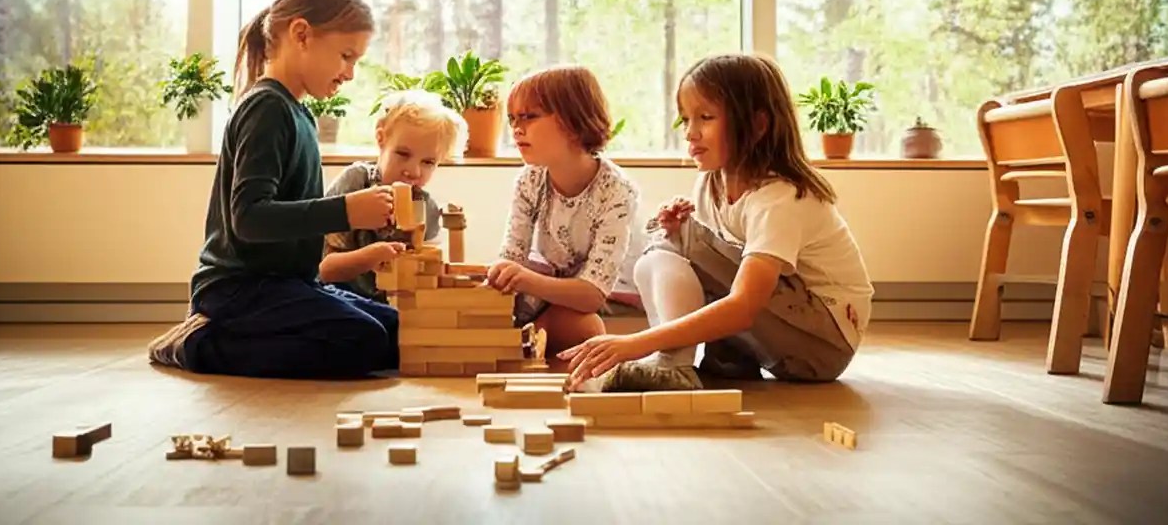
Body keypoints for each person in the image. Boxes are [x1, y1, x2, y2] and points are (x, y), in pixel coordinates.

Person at [561, 53, 874, 392]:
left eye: (706, 117)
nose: (690, 133)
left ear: (757, 126)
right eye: (685, 120)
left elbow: (743, 306)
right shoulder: (713, 183)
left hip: (821, 344)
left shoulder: (780, 199)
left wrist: (637, 343)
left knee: (681, 241)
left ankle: (673, 364)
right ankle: (723, 358)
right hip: (785, 331)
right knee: (668, 241)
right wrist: (675, 230)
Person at [147, 0, 400, 379]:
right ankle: (198, 344)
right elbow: (249, 218)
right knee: (363, 341)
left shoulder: (297, 112)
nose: (350, 73)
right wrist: (347, 211)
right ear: (301, 34)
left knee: (396, 331)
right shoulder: (266, 109)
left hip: (288, 283)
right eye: (346, 56)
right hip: (238, 289)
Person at [486, 65, 641, 359]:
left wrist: (523, 279)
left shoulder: (617, 192)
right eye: (512, 119)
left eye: (529, 116)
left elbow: (592, 295)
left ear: (573, 122)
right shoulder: (529, 179)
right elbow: (512, 254)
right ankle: (527, 336)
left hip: (594, 299)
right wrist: (503, 276)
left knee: (587, 329)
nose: (517, 128)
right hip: (544, 294)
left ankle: (528, 337)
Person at [319, 89, 466, 302]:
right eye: (403, 154)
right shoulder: (357, 181)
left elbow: (431, 276)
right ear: (381, 138)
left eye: (428, 162)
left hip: (397, 307)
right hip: (340, 298)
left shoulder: (426, 206)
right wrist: (370, 257)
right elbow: (323, 269)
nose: (414, 172)